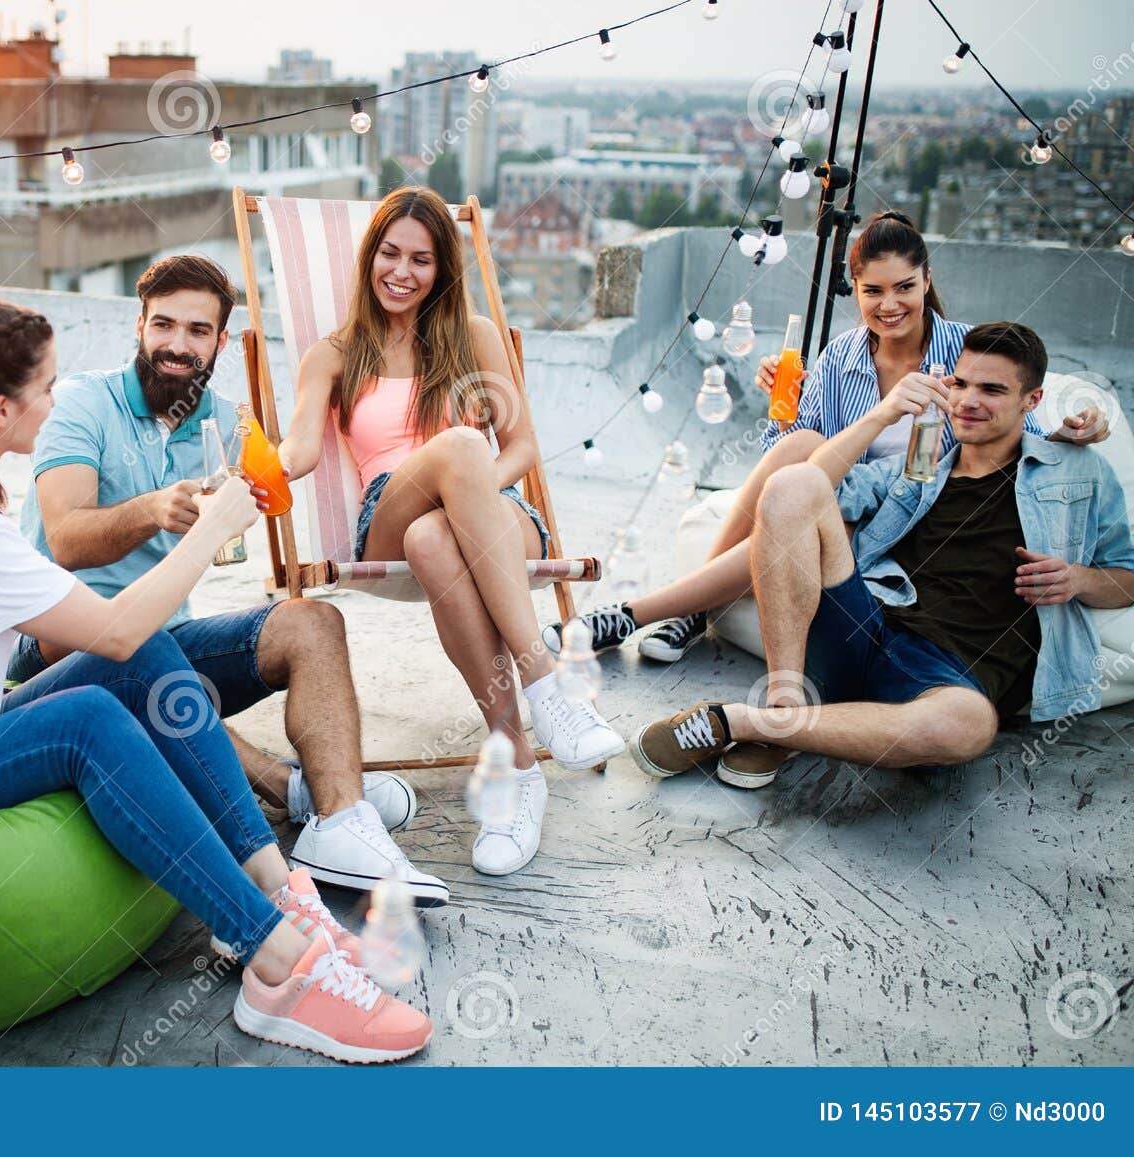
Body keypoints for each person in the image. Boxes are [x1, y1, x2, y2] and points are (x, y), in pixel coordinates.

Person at [0, 299, 432, 1063]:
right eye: (47, 386)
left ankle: (279, 891)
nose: (59, 398)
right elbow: (116, 623)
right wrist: (210, 529)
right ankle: (276, 965)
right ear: (2, 409)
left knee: (146, 657)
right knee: (92, 716)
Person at [10, 256, 448, 906]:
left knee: (312, 621)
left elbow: (274, 485)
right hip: (56, 643)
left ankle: (340, 822)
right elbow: (67, 537)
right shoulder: (82, 404)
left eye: (196, 330)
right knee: (131, 650)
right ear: (139, 324)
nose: (176, 344)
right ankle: (290, 789)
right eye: (163, 325)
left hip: (165, 637)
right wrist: (156, 507)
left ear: (221, 340)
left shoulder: (222, 420)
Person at [547, 211, 1110, 664]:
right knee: (798, 449)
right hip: (841, 495)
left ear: (927, 281)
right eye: (873, 291)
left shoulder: (963, 351)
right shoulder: (842, 355)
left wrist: (1074, 430)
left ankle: (645, 611)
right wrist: (779, 400)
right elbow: (785, 462)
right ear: (856, 290)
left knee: (823, 510)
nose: (889, 306)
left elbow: (1014, 430)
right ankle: (693, 607)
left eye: (904, 288)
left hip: (910, 510)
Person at [276, 185, 626, 880]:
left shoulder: (474, 335)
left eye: (422, 259)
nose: (401, 272)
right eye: (390, 253)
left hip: (491, 520)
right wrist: (250, 463)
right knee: (462, 451)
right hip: (390, 515)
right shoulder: (335, 352)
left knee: (443, 528)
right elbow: (299, 452)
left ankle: (518, 767)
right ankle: (548, 685)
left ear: (444, 269)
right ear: (370, 256)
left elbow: (522, 447)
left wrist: (475, 499)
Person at [632, 321, 1134, 788]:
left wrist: (1079, 580)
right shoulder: (922, 461)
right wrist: (885, 412)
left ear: (1033, 400)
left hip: (948, 678)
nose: (968, 401)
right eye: (960, 384)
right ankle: (785, 695)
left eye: (992, 390)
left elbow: (1126, 577)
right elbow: (815, 486)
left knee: (970, 727)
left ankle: (750, 723)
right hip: (865, 624)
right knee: (793, 481)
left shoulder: (1077, 471)